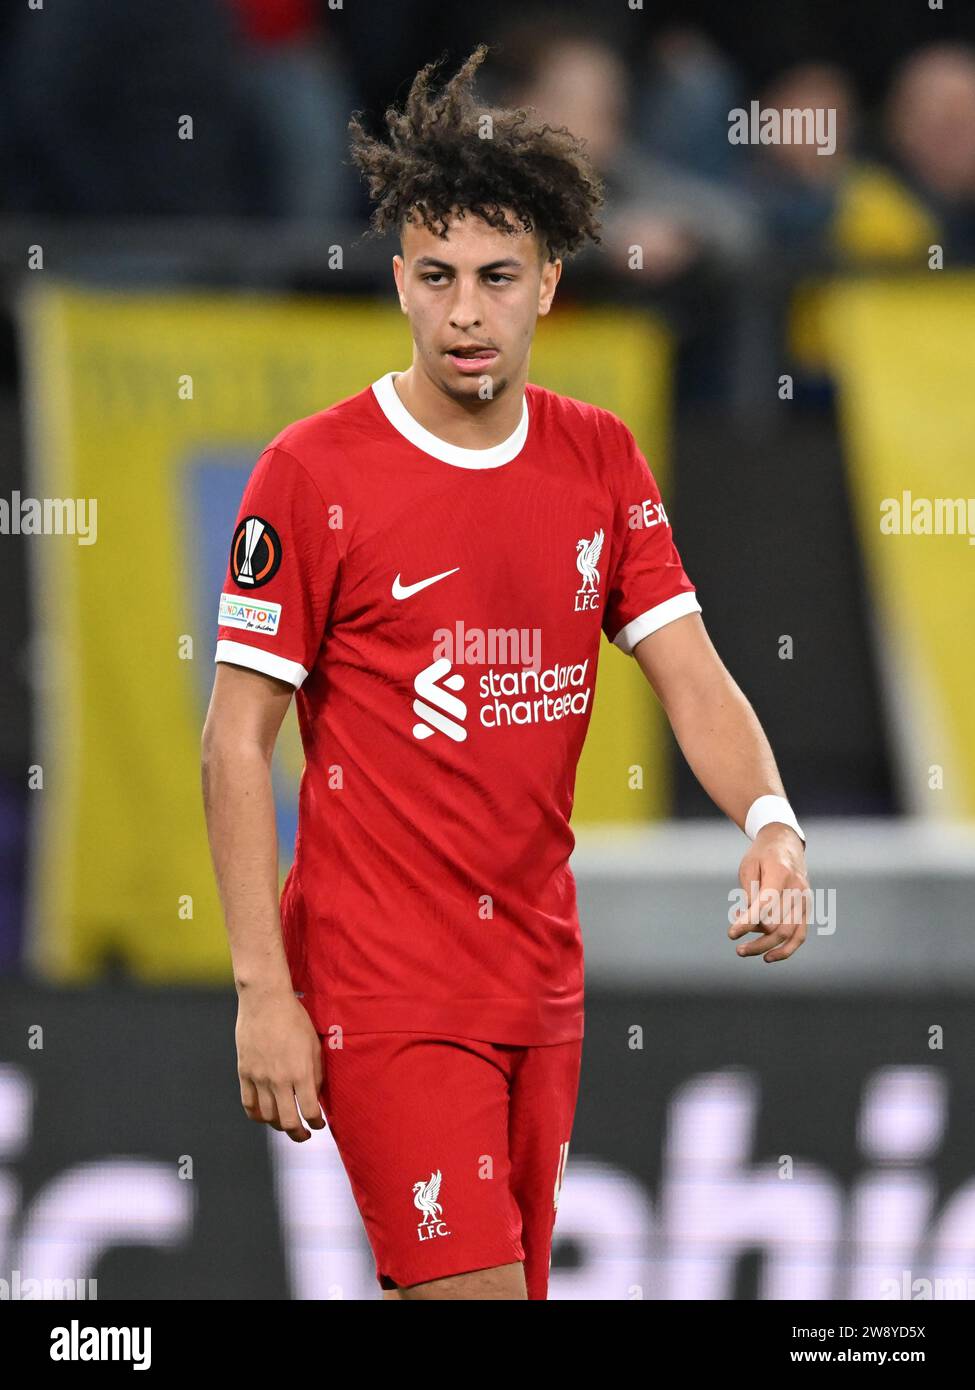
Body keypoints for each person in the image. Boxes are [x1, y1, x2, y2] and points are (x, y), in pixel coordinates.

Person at [201, 45, 810, 1302]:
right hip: (380, 981)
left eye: (493, 279)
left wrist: (773, 823)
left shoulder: (601, 460)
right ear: (399, 282)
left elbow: (691, 673)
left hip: (539, 977)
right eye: (435, 279)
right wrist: (265, 992)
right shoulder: (312, 475)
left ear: (548, 281)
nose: (463, 314)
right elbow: (233, 740)